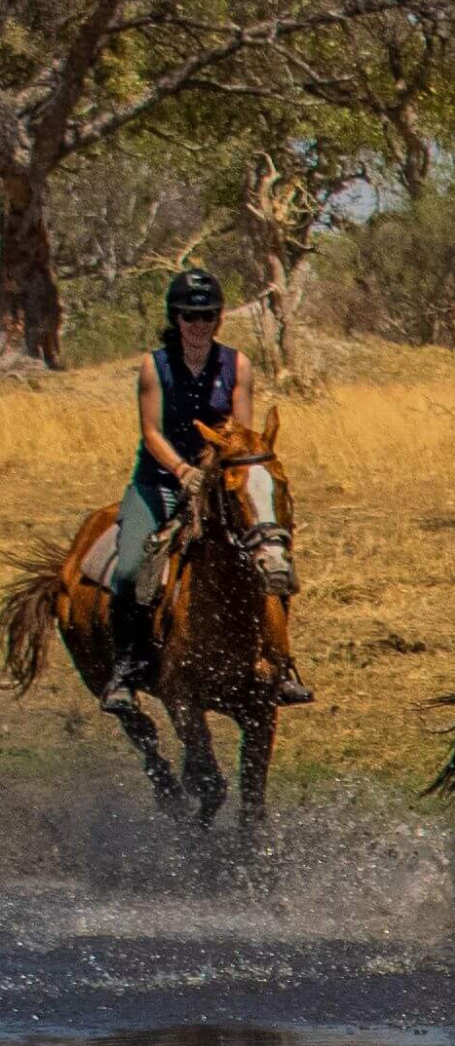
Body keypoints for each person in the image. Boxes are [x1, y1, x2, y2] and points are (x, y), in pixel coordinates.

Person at [100, 270, 313, 717]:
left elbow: (240, 435)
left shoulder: (237, 365)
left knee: (269, 550)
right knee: (131, 569)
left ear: (219, 319)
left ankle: (282, 663)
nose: (200, 324)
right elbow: (151, 432)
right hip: (158, 481)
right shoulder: (153, 366)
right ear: (175, 318)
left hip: (217, 481)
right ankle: (126, 668)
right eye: (190, 315)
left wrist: (213, 474)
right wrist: (182, 470)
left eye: (208, 315)